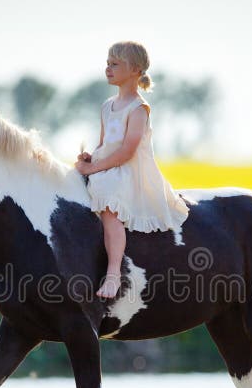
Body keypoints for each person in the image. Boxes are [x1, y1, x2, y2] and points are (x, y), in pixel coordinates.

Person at [75, 41, 190, 299]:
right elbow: (105, 144)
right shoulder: (107, 106)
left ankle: (114, 273)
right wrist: (89, 157)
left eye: (115, 64)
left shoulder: (138, 109)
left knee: (109, 204)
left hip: (128, 171)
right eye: (107, 63)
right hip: (107, 164)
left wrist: (93, 168)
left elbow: (127, 151)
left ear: (135, 70)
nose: (108, 68)